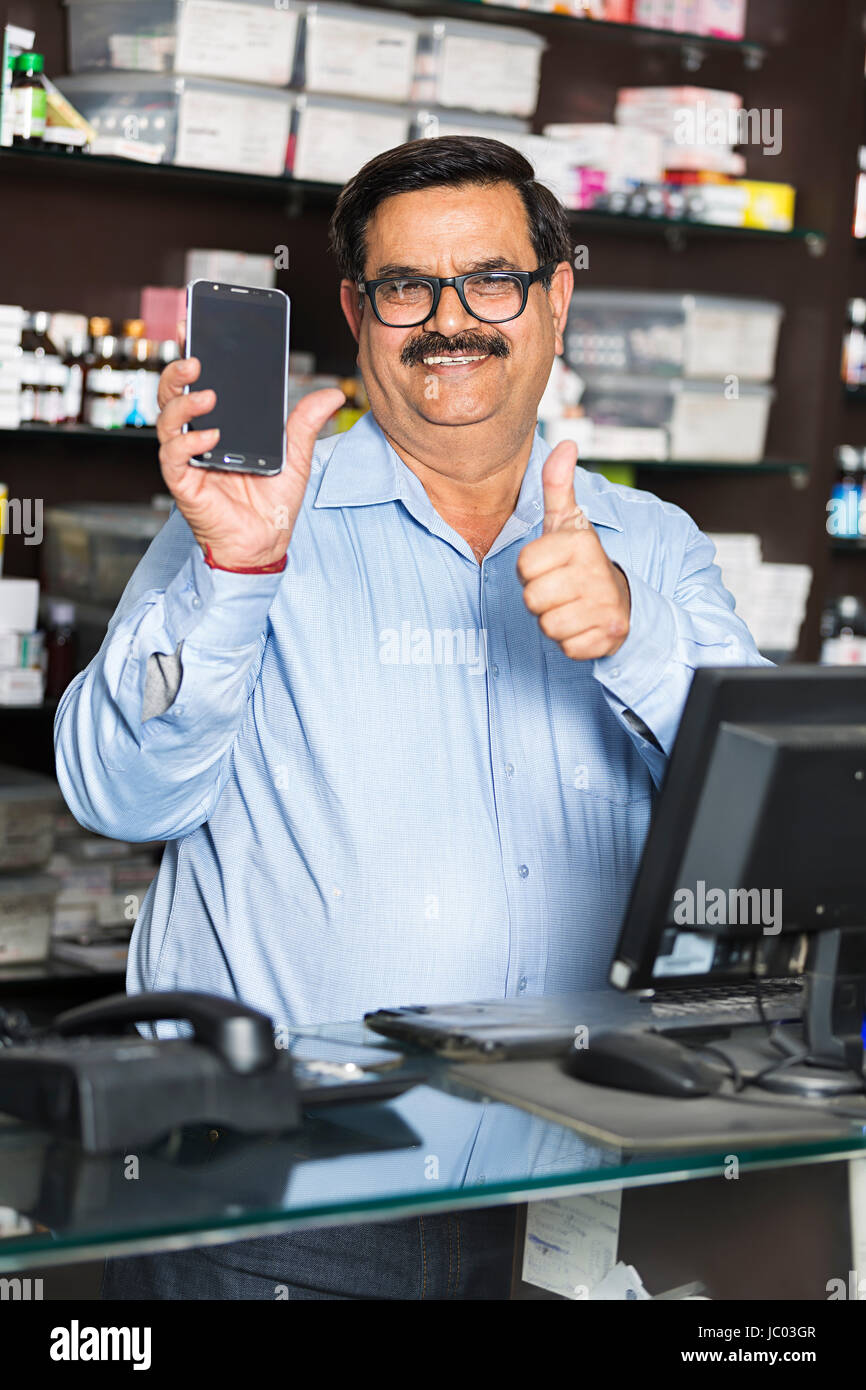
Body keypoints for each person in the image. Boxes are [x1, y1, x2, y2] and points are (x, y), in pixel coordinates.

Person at [55, 136, 769, 1299]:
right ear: (354, 309)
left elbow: (761, 851)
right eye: (404, 287)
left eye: (491, 278)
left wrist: (636, 641)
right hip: (282, 1205)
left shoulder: (653, 547)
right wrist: (235, 578)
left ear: (555, 295)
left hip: (564, 1201)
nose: (451, 320)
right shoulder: (251, 516)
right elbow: (115, 795)